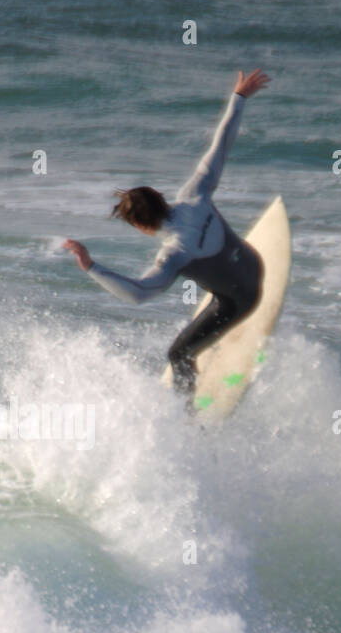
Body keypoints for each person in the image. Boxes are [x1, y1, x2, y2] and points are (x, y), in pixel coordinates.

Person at [64, 69, 271, 396]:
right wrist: (239, 97)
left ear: (140, 225)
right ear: (160, 197)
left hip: (242, 300)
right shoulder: (195, 193)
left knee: (178, 354)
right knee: (216, 280)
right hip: (255, 264)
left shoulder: (174, 254)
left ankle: (188, 417)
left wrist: (91, 266)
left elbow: (139, 293)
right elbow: (220, 146)